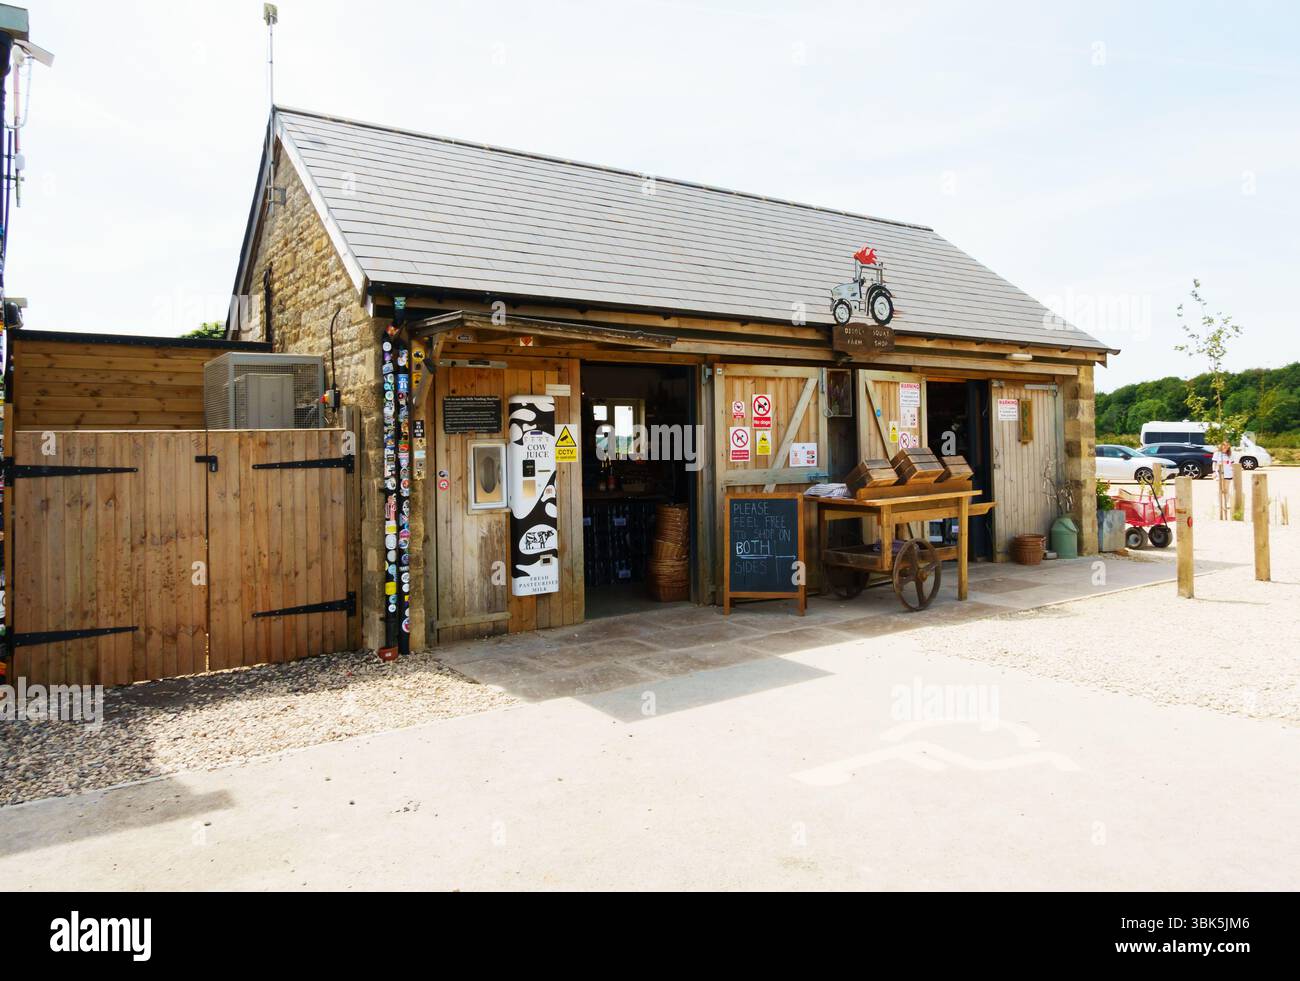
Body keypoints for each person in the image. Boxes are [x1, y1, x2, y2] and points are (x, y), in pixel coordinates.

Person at [1213, 440, 1234, 514]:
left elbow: (1232, 464)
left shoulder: (1230, 454)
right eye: (1224, 445)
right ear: (1221, 446)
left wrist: (1233, 472)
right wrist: (1214, 472)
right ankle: (1218, 503)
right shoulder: (1217, 454)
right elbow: (1214, 463)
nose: (1225, 447)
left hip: (1228, 474)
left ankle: (1226, 503)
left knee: (1226, 489)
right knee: (1219, 489)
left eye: (1227, 445)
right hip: (1219, 473)